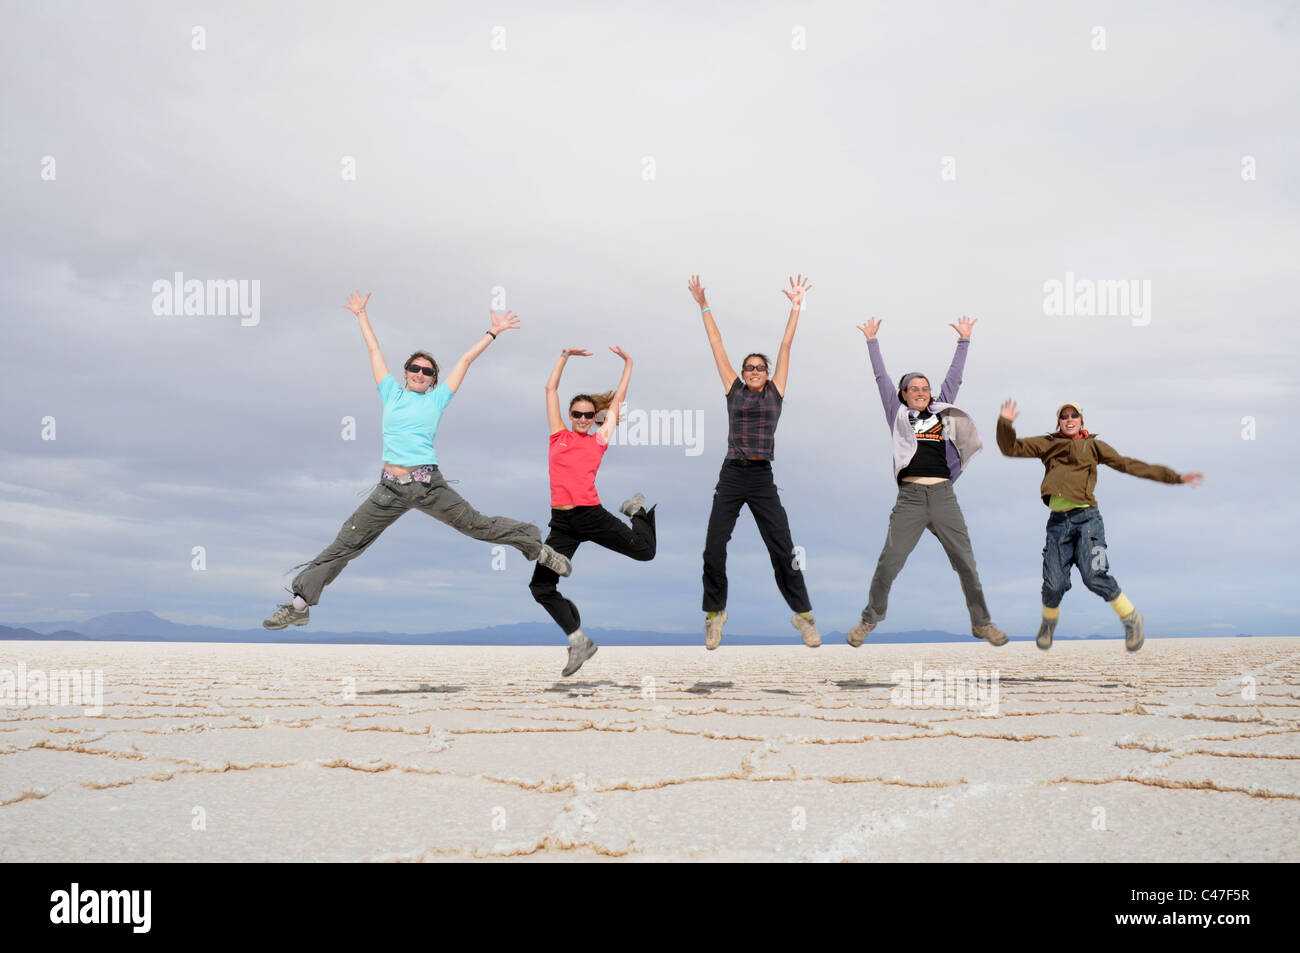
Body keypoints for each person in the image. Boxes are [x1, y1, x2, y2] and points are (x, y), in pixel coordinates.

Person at [262, 291, 571, 629]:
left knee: (477, 525)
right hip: (388, 491)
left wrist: (492, 331)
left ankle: (539, 549)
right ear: (406, 371)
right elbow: (374, 350)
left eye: (427, 370)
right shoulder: (390, 393)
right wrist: (361, 315)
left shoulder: (437, 400)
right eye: (414, 367)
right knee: (347, 541)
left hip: (428, 487)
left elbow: (465, 361)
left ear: (433, 378)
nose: (420, 372)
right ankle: (299, 604)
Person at [847, 318, 1007, 648]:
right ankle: (869, 619)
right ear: (904, 395)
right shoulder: (897, 413)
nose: (921, 392)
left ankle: (982, 623)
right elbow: (881, 378)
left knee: (966, 562)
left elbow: (955, 378)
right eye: (913, 389)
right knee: (889, 562)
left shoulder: (941, 409)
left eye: (925, 388)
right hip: (911, 499)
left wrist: (964, 341)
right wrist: (872, 341)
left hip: (944, 495)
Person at [997, 398, 1203, 652]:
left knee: (1094, 575)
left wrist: (1176, 477)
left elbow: (1129, 465)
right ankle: (1048, 624)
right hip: (1057, 525)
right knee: (1053, 585)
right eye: (1065, 416)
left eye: (1074, 415)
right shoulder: (1048, 444)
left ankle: (1131, 619)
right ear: (1059, 421)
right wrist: (1005, 423)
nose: (1069, 420)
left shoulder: (1094, 446)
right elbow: (1010, 448)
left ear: (1082, 420)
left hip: (1088, 522)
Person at [689, 273, 819, 650]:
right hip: (732, 474)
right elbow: (716, 342)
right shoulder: (733, 390)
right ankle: (714, 615)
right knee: (714, 546)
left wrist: (796, 306)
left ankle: (804, 615)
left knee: (783, 547)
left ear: (768, 372)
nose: (754, 372)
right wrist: (703, 305)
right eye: (749, 368)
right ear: (743, 374)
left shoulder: (776, 393)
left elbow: (787, 343)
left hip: (762, 477)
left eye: (760, 367)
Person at [529, 346, 657, 676]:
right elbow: (550, 389)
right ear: (570, 416)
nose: (584, 420)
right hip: (563, 522)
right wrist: (563, 356)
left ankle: (637, 511)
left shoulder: (599, 439)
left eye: (589, 415)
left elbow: (619, 400)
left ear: (595, 417)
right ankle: (578, 641)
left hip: (591, 515)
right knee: (541, 588)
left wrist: (629, 362)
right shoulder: (557, 436)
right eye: (578, 415)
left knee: (645, 553)